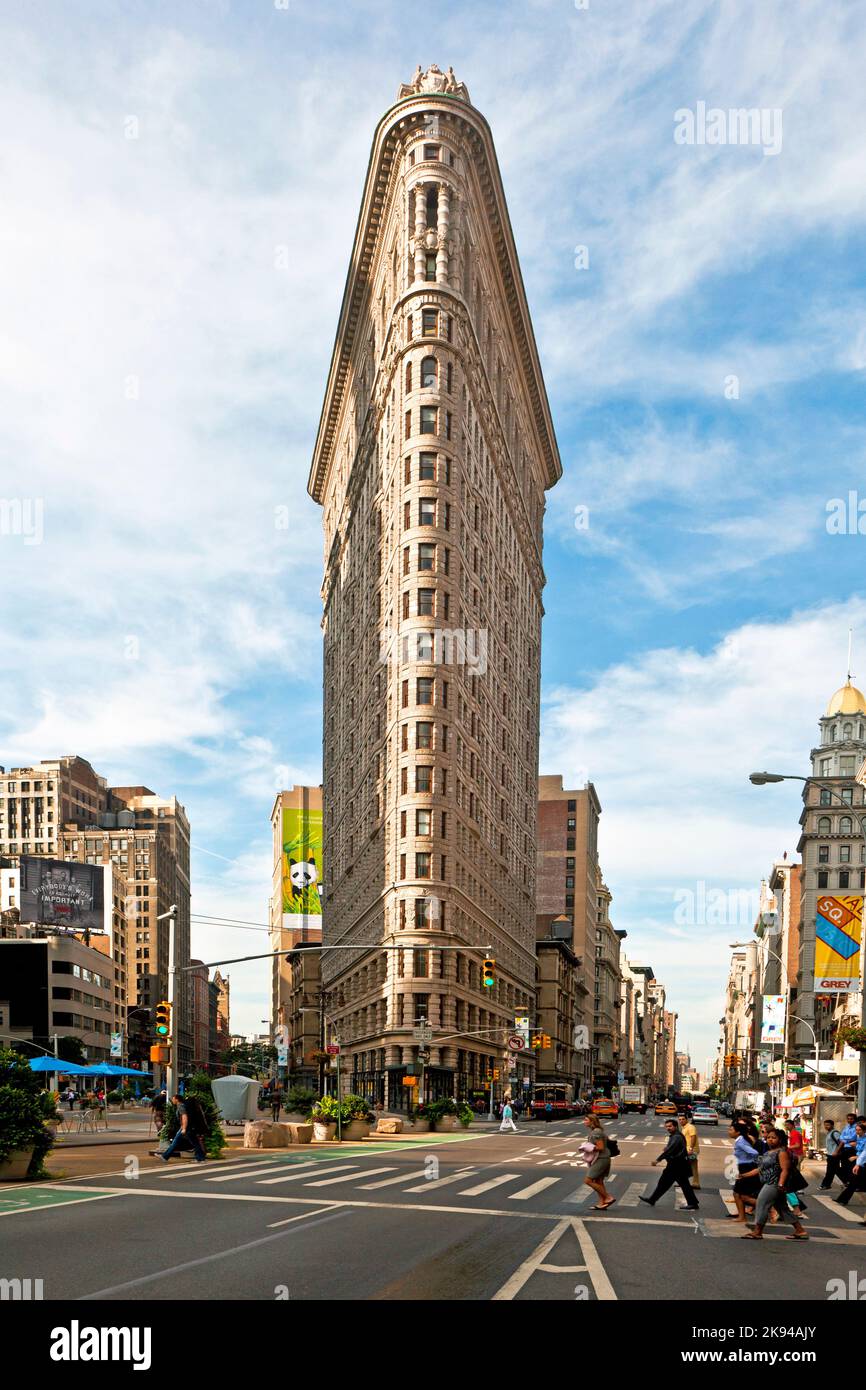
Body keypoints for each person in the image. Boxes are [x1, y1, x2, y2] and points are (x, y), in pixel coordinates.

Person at [740, 1129, 808, 1240]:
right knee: (782, 1209)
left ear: (780, 1139)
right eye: (768, 1138)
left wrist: (781, 1184)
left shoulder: (781, 1152)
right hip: (769, 1183)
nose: (770, 1140)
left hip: (774, 1184)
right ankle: (800, 1231)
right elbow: (760, 1169)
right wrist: (744, 1175)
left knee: (761, 1203)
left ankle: (757, 1231)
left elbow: (785, 1170)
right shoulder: (768, 1152)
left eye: (773, 1138)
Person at [639, 1118, 699, 1210]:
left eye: (670, 1126)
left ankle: (693, 1203)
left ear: (675, 1126)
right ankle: (652, 1199)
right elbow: (671, 1148)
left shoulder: (677, 1137)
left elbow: (671, 1150)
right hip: (676, 1165)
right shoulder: (675, 1135)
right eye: (666, 1126)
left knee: (675, 1184)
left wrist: (658, 1160)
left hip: (677, 1165)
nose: (668, 1128)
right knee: (666, 1183)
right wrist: (667, 1148)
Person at [155, 1092, 207, 1163]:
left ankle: (165, 1156)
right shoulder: (182, 1105)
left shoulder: (180, 1106)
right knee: (194, 1142)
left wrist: (184, 1128)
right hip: (188, 1127)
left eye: (173, 1098)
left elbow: (184, 1117)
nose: (172, 1100)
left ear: (177, 1099)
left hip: (185, 1127)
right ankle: (200, 1158)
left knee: (176, 1142)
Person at [728, 1123, 761, 1222]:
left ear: (738, 1132)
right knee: (737, 1194)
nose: (729, 1132)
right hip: (744, 1167)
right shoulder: (741, 1139)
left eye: (731, 1130)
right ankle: (742, 1217)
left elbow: (754, 1153)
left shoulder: (740, 1142)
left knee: (744, 1196)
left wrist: (750, 1161)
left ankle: (770, 1207)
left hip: (747, 1168)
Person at [582, 1114, 615, 1210]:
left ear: (592, 1121)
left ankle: (608, 1197)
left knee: (588, 1180)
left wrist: (587, 1147)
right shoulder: (597, 1131)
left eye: (586, 1120)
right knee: (598, 1181)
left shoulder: (596, 1132)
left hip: (601, 1159)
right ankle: (602, 1203)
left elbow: (600, 1147)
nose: (584, 1121)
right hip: (601, 1158)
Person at [834, 1120, 866, 1206]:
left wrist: (857, 1160)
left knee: (853, 1181)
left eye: (859, 1130)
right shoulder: (859, 1138)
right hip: (859, 1162)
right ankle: (843, 1199)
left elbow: (864, 1153)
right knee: (853, 1182)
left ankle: (843, 1199)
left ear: (864, 1131)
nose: (857, 1132)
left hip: (862, 1162)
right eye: (856, 1130)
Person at [821, 1117, 844, 1190]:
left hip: (834, 1155)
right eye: (825, 1125)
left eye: (828, 1125)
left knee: (830, 1171)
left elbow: (842, 1142)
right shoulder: (829, 1133)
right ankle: (847, 1181)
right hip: (830, 1154)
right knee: (835, 1170)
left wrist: (836, 1151)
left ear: (832, 1125)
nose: (826, 1126)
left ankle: (825, 1185)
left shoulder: (835, 1133)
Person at [837, 1112, 860, 1184]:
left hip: (852, 1149)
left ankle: (851, 1181)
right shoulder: (847, 1127)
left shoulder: (857, 1127)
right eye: (848, 1119)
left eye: (851, 1119)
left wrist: (844, 1139)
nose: (850, 1120)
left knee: (850, 1166)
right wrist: (845, 1139)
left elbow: (852, 1137)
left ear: (855, 1119)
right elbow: (841, 1136)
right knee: (844, 1165)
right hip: (845, 1148)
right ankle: (847, 1181)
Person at [682, 1112, 700, 1190]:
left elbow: (693, 1137)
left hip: (691, 1151)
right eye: (679, 1119)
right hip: (689, 1150)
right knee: (692, 1166)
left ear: (687, 1119)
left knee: (684, 1166)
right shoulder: (685, 1128)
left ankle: (685, 1182)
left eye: (683, 1119)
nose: (681, 1121)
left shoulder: (690, 1127)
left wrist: (691, 1148)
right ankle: (695, 1183)